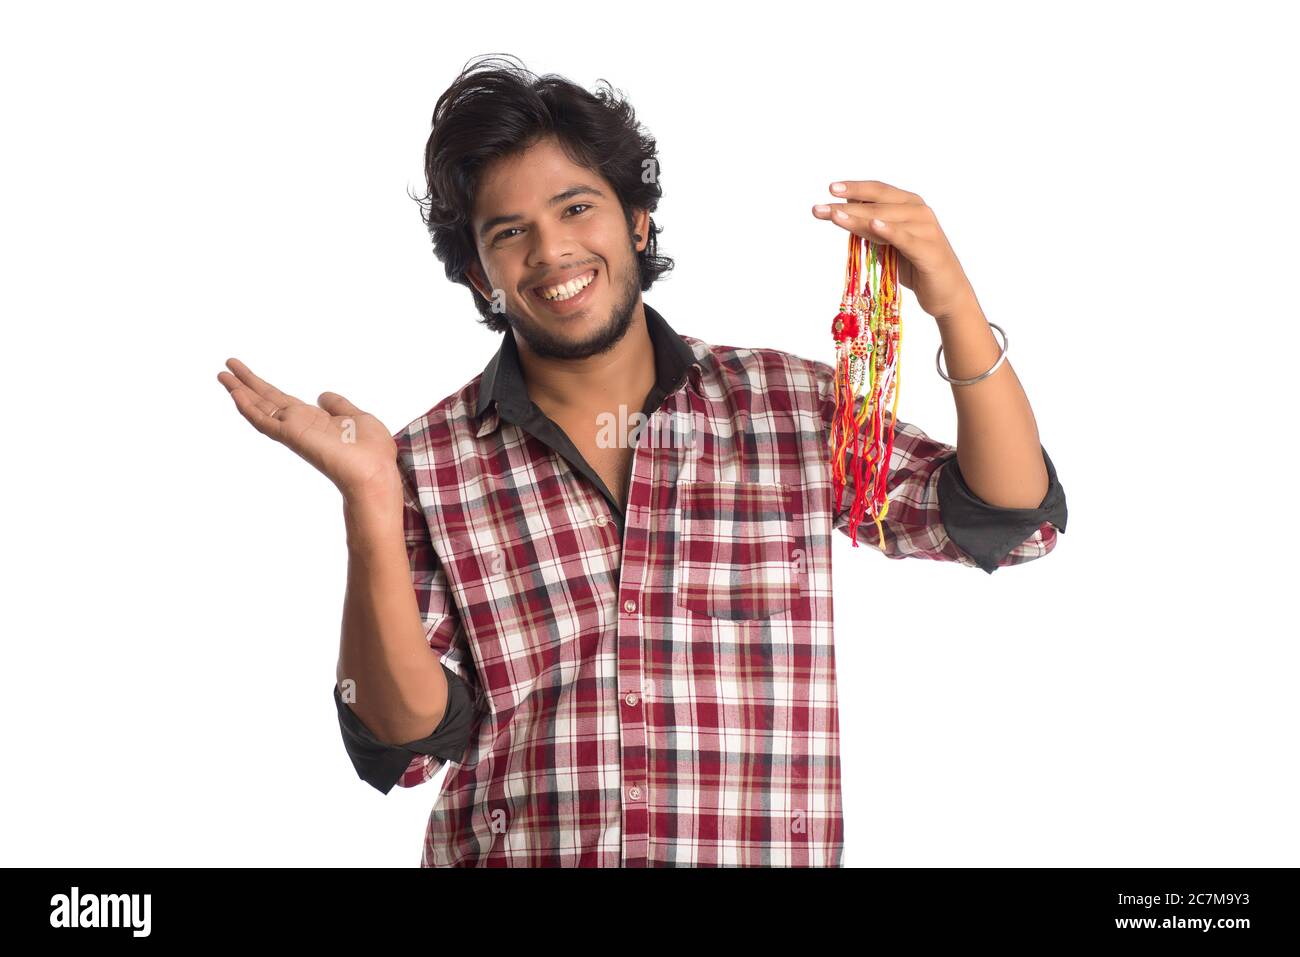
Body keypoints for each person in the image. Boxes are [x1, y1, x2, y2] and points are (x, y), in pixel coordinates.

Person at [217, 54, 1067, 867]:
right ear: (479, 276)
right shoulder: (425, 462)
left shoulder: (788, 407)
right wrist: (368, 498)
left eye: (576, 208)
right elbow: (402, 736)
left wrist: (952, 297)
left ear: (636, 219)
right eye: (511, 233)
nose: (551, 251)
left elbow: (1007, 518)